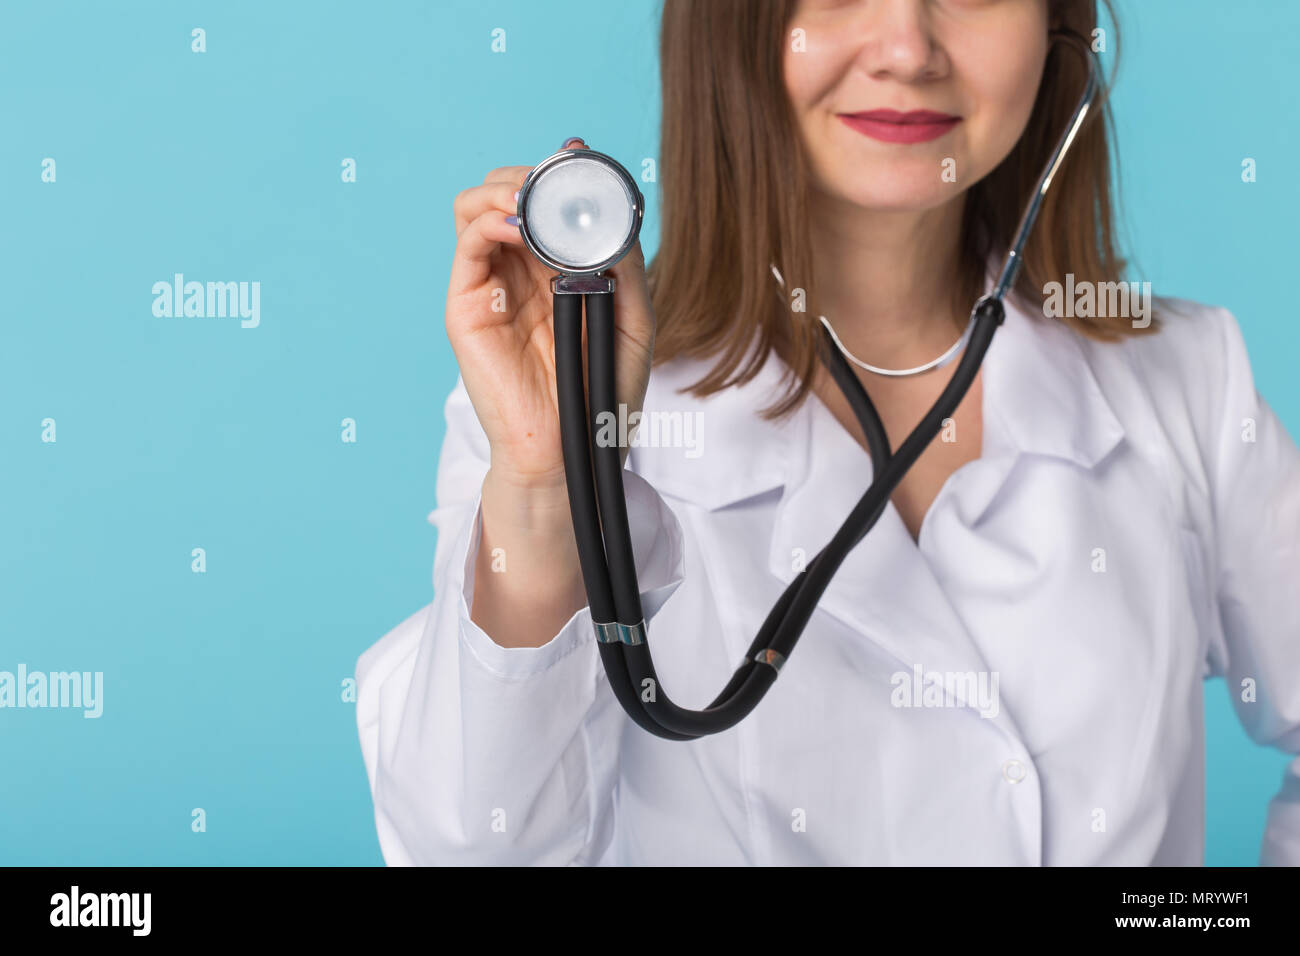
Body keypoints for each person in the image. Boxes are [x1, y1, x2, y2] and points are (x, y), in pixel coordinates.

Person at [355, 0, 1300, 865]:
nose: (906, 49)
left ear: (1059, 30)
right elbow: (470, 850)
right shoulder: (565, 410)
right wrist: (548, 493)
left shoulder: (1188, 382)